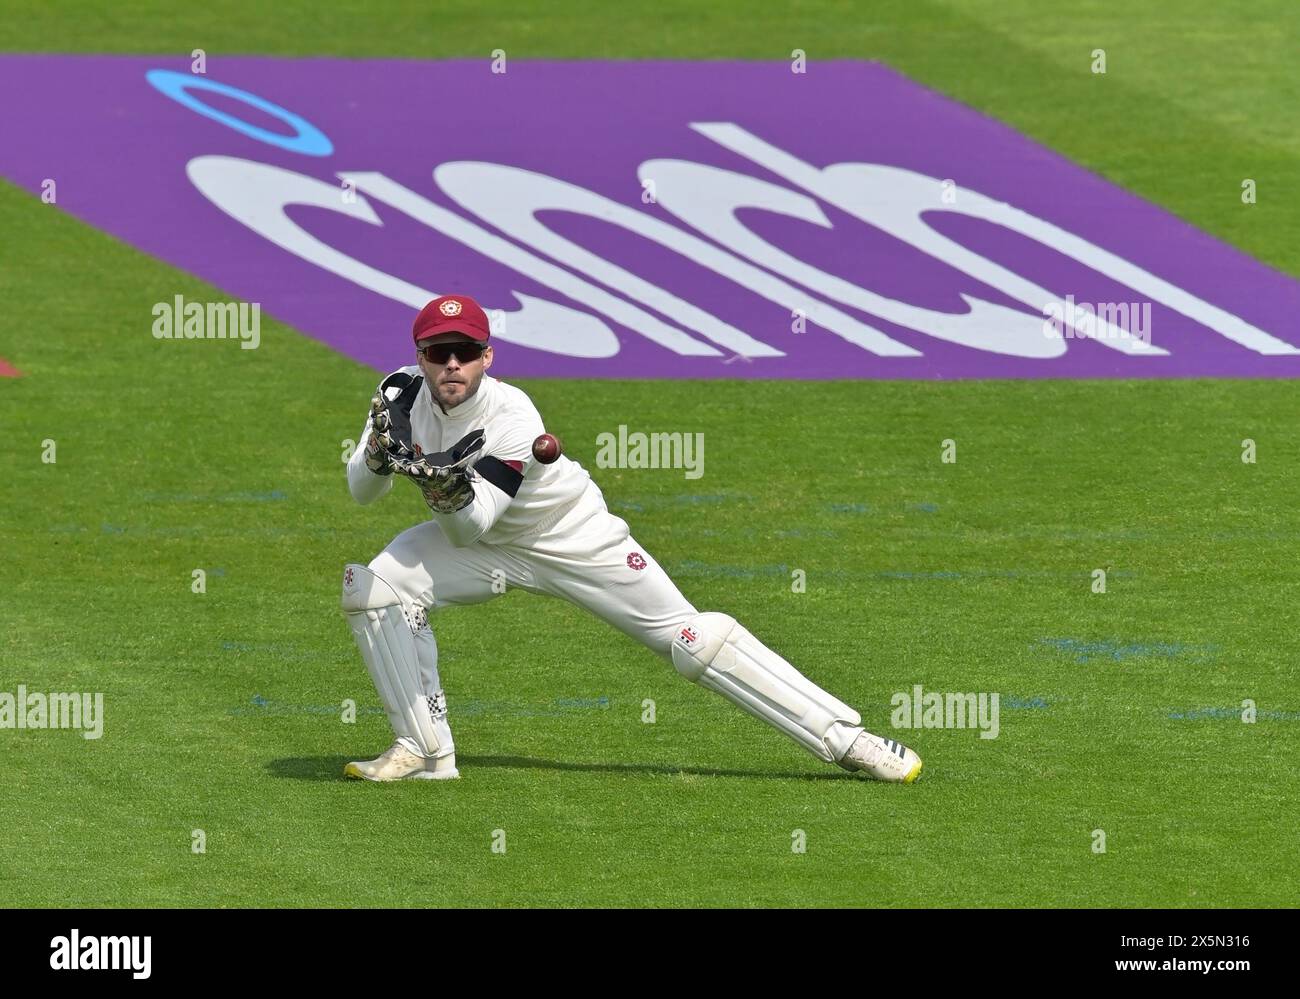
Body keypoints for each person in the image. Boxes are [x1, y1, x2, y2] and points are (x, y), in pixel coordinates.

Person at [341, 294, 923, 784]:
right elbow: (363, 493)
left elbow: (473, 523)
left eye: (465, 352)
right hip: (487, 551)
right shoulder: (397, 395)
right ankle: (423, 752)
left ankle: (848, 739)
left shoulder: (514, 418)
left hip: (570, 534)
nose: (451, 365)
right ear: (418, 357)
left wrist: (444, 491)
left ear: (487, 356)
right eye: (437, 352)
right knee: (376, 589)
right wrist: (374, 458)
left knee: (693, 640)